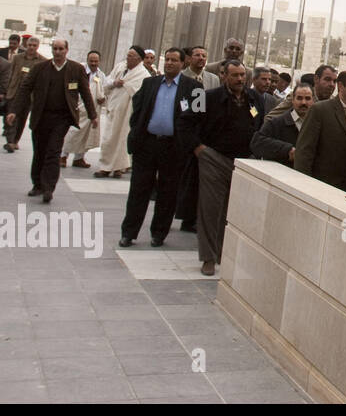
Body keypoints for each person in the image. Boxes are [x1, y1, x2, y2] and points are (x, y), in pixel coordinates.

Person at [178, 60, 266, 276]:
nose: (239, 79)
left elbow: (259, 123)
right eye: (234, 75)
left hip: (243, 161)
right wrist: (198, 149)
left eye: (242, 75)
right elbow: (184, 123)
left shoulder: (254, 99)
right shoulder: (206, 97)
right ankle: (208, 257)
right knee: (210, 208)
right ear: (223, 75)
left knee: (231, 209)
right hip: (214, 159)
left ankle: (222, 253)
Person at [4, 37, 96, 203]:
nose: (58, 52)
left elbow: (85, 92)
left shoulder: (75, 69)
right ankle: (37, 184)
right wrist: (14, 111)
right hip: (41, 117)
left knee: (53, 151)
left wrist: (93, 115)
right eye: (55, 49)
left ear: (66, 50)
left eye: (61, 49)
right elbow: (25, 89)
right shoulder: (40, 68)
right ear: (51, 50)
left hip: (62, 119)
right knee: (39, 151)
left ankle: (48, 188)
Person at [120, 47, 195, 247]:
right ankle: (129, 232)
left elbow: (199, 117)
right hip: (147, 144)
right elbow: (137, 109)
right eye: (167, 59)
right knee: (138, 190)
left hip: (174, 148)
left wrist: (188, 144)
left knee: (168, 193)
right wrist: (136, 131)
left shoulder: (194, 88)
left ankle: (159, 234)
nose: (169, 63)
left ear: (182, 63)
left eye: (174, 60)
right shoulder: (149, 83)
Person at [293, 68, 346, 189]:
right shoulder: (320, 110)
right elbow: (304, 151)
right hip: (319, 184)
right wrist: (303, 184)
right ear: (340, 85)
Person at [97, 45, 150, 177]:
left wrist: (127, 85)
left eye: (131, 56)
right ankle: (105, 166)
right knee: (109, 137)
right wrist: (115, 83)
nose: (128, 58)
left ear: (138, 59)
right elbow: (107, 80)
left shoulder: (144, 74)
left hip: (128, 112)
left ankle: (118, 168)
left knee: (123, 138)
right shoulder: (120, 67)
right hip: (114, 108)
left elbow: (141, 94)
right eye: (127, 55)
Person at [61, 49, 106, 167]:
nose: (94, 64)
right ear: (87, 60)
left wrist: (103, 98)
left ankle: (79, 158)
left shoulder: (100, 75)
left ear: (99, 61)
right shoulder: (78, 70)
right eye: (91, 61)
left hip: (92, 110)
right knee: (72, 132)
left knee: (87, 135)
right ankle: (63, 156)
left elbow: (104, 90)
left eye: (96, 61)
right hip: (78, 107)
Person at [250, 84, 314, 166]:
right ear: (293, 100)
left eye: (307, 98)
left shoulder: (317, 124)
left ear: (313, 101)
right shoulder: (276, 123)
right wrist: (287, 150)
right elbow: (257, 143)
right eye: (299, 98)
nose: (303, 102)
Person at [3, 35, 45, 151]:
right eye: (30, 45)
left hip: (29, 95)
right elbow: (10, 74)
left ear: (38, 46)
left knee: (22, 118)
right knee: (11, 115)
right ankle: (10, 141)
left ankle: (15, 140)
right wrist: (6, 90)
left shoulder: (43, 61)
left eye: (34, 45)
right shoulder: (17, 58)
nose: (31, 47)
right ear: (26, 45)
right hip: (15, 91)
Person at [265, 64, 336, 120]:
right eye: (327, 79)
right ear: (316, 79)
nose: (332, 84)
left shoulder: (335, 104)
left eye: (334, 81)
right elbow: (270, 118)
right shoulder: (298, 96)